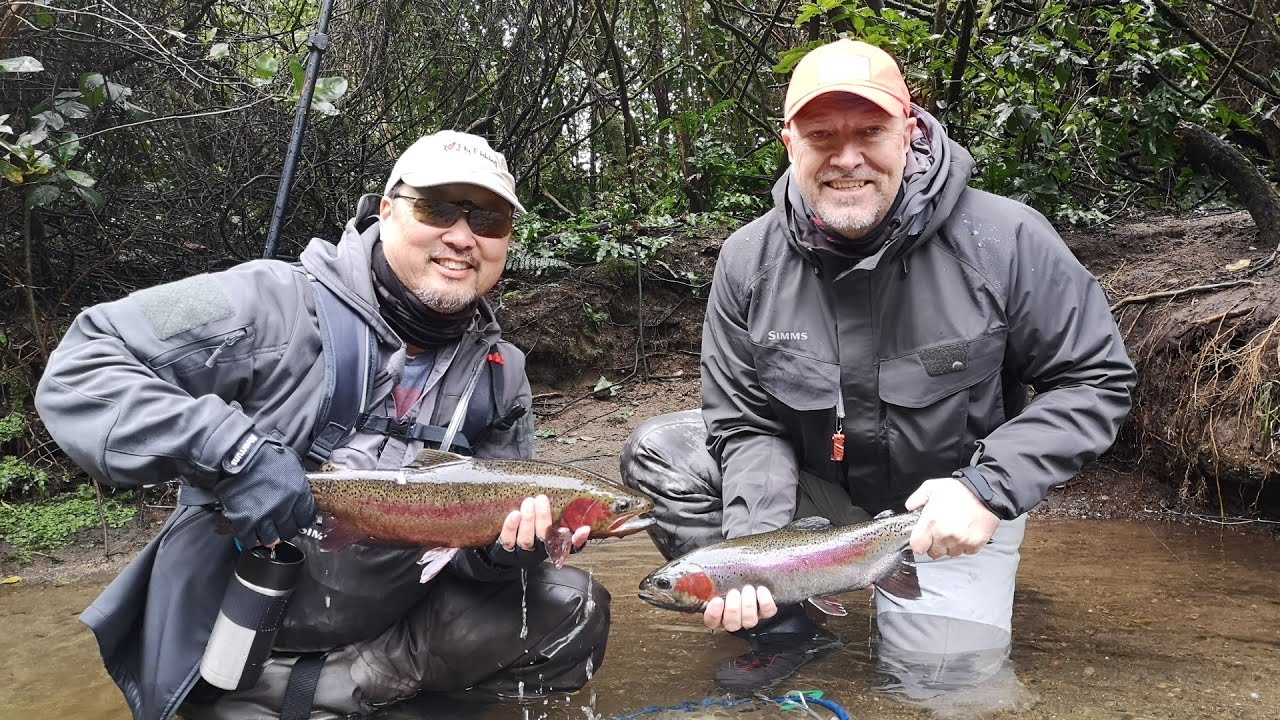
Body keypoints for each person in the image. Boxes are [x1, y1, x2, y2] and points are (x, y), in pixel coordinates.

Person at [35, 131, 610, 720]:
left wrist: (502, 550)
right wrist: (235, 451)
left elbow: (465, 558)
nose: (462, 237)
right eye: (438, 209)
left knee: (571, 606)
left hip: (385, 656)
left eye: (487, 221)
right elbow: (83, 362)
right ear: (387, 210)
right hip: (238, 653)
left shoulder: (500, 373)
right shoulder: (264, 300)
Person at [621, 38, 1136, 696]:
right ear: (789, 143)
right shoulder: (748, 261)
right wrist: (757, 559)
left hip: (947, 509)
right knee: (664, 452)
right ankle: (790, 626)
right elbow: (746, 425)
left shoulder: (1005, 239)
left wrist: (987, 488)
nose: (847, 157)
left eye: (870, 131)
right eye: (821, 135)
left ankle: (942, 599)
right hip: (821, 495)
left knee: (943, 689)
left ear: (910, 130)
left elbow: (1095, 379)